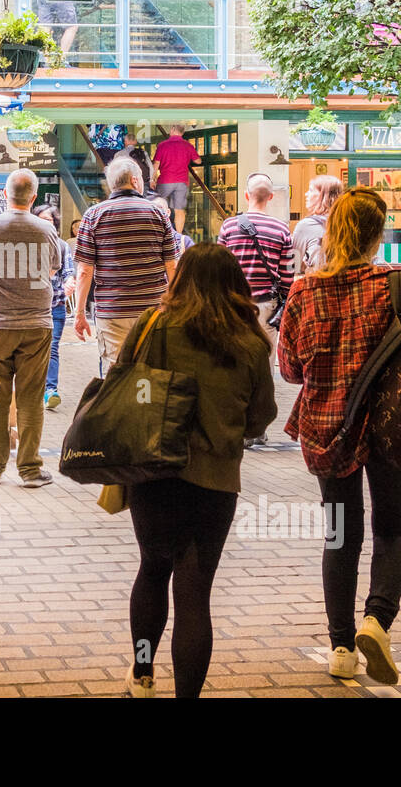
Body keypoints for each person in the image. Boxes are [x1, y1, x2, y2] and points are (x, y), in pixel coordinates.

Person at [277, 187, 401, 686]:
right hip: (394, 429)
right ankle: (377, 620)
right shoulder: (400, 289)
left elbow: (289, 368)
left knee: (339, 537)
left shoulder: (304, 292)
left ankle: (340, 648)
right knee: (394, 530)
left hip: (328, 432)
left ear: (332, 231)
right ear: (377, 236)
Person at [118, 243, 276, 697]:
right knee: (194, 594)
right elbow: (260, 416)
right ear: (236, 285)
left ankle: (143, 675)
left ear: (180, 279)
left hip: (153, 473)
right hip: (215, 482)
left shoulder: (152, 324)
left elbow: (124, 385)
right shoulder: (249, 341)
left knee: (152, 570)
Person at [0, 170, 61, 487]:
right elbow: (52, 267)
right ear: (33, 198)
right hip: (36, 324)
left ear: (5, 195)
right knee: (31, 398)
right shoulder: (46, 229)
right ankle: (30, 470)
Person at [74, 156, 177, 376]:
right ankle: (146, 408)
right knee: (152, 369)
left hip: (112, 312)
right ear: (134, 180)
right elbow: (172, 266)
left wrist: (80, 313)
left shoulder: (93, 215)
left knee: (116, 371)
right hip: (153, 309)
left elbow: (84, 271)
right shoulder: (158, 214)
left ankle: (120, 409)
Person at [217, 171, 294, 357]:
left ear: (246, 195)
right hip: (267, 305)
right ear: (270, 197)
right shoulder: (282, 230)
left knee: (234, 357)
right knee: (265, 357)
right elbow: (287, 275)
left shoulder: (228, 226)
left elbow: (219, 268)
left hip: (234, 302)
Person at [32, 203, 72, 410]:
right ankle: (33, 388)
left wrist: (69, 283)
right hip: (31, 307)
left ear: (55, 224)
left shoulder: (62, 246)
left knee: (52, 348)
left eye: (48, 220)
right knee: (32, 349)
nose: (44, 224)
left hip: (55, 306)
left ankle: (50, 390)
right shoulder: (27, 245)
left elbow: (68, 272)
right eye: (39, 220)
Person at [152, 124, 201, 234]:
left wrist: (152, 179)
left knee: (160, 207)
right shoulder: (187, 145)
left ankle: (160, 232)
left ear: (172, 129)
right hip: (181, 182)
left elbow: (156, 164)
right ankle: (178, 236)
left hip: (165, 181)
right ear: (182, 132)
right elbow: (198, 160)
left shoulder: (162, 145)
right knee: (179, 210)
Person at [292, 174, 343, 275]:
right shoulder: (346, 222)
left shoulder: (306, 225)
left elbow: (294, 265)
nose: (306, 194)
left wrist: (305, 266)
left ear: (324, 196)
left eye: (311, 190)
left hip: (319, 285)